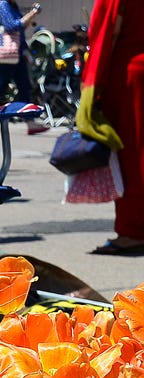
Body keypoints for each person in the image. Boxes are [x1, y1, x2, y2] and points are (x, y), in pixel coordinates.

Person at [84, 0, 144, 255]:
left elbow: (105, 34)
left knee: (133, 155)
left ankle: (133, 231)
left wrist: (91, 85)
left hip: (131, 77)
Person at [0, 1, 38, 103]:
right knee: (1, 86)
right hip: (7, 53)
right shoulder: (3, 4)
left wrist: (31, 15)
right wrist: (31, 14)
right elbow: (11, 26)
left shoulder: (13, 5)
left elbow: (21, 26)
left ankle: (26, 114)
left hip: (18, 52)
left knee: (24, 86)